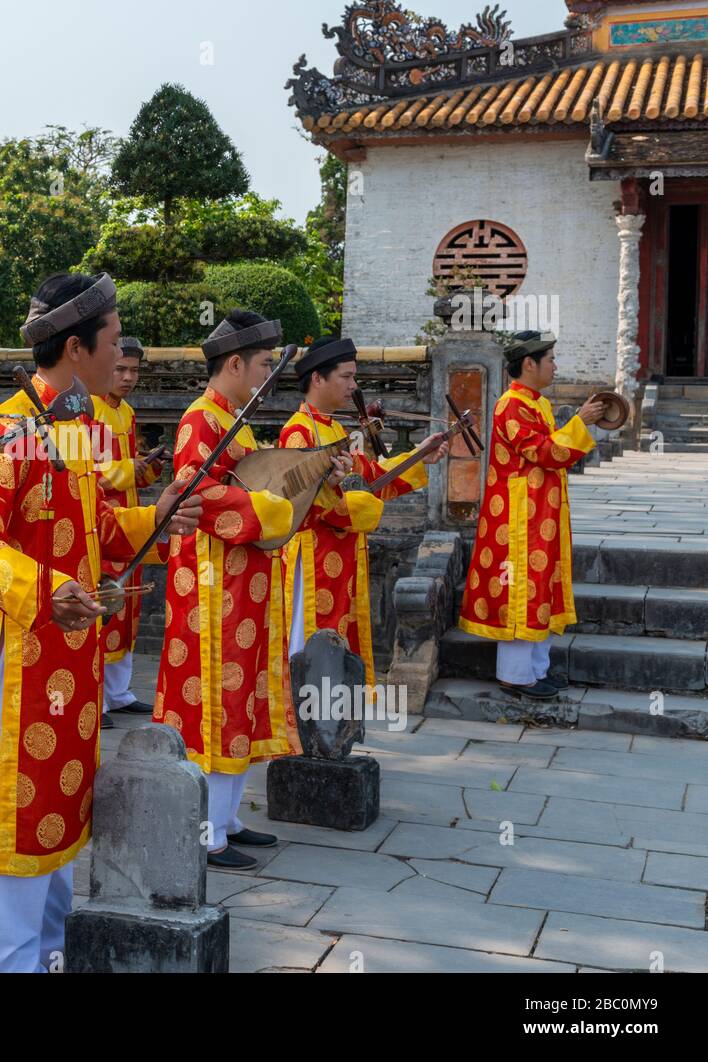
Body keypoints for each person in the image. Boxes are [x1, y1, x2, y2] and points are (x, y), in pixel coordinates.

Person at [0, 271, 203, 973]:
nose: (124, 354)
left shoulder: (76, 426)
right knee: (14, 830)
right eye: (114, 340)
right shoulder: (14, 429)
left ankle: (47, 957)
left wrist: (160, 516)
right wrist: (46, 589)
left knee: (53, 826)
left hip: (65, 660)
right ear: (77, 346)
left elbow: (99, 527)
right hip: (13, 667)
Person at [154, 311, 300, 871]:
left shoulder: (232, 417)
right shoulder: (200, 419)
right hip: (212, 581)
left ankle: (230, 816)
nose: (269, 376)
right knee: (217, 695)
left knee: (242, 692)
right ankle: (205, 831)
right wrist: (262, 509)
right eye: (264, 365)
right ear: (234, 364)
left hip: (241, 577)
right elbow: (195, 490)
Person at [280, 336, 448, 684]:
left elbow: (370, 476)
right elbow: (307, 503)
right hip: (311, 559)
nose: (354, 386)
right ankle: (300, 722)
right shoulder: (298, 434)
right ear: (318, 379)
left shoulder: (334, 428)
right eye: (347, 376)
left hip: (340, 553)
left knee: (336, 639)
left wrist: (420, 454)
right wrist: (361, 507)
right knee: (308, 642)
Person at [458, 331, 602, 699]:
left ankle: (536, 671)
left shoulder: (535, 402)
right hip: (519, 520)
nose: (555, 366)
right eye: (550, 359)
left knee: (542, 586)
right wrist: (580, 421)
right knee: (521, 591)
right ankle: (516, 676)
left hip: (539, 512)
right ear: (529, 364)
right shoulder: (511, 405)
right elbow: (544, 452)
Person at [92, 335, 162, 726]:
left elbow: (127, 468)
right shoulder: (92, 411)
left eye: (134, 370)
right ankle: (96, 698)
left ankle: (118, 692)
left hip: (130, 519)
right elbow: (89, 473)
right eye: (121, 368)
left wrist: (146, 468)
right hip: (103, 523)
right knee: (106, 600)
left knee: (128, 606)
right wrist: (125, 470)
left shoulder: (126, 414)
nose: (128, 377)